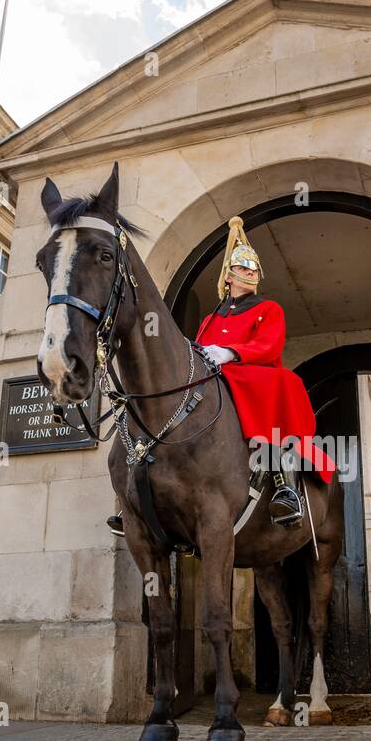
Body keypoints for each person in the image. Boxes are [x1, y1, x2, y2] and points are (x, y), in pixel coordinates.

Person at [107, 215, 332, 536]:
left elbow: (269, 345)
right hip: (212, 375)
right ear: (229, 276)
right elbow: (195, 349)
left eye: (254, 271)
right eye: (243, 269)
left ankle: (285, 483)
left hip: (252, 372)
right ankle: (130, 499)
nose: (251, 274)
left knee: (282, 382)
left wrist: (232, 353)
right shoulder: (213, 317)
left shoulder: (268, 309)